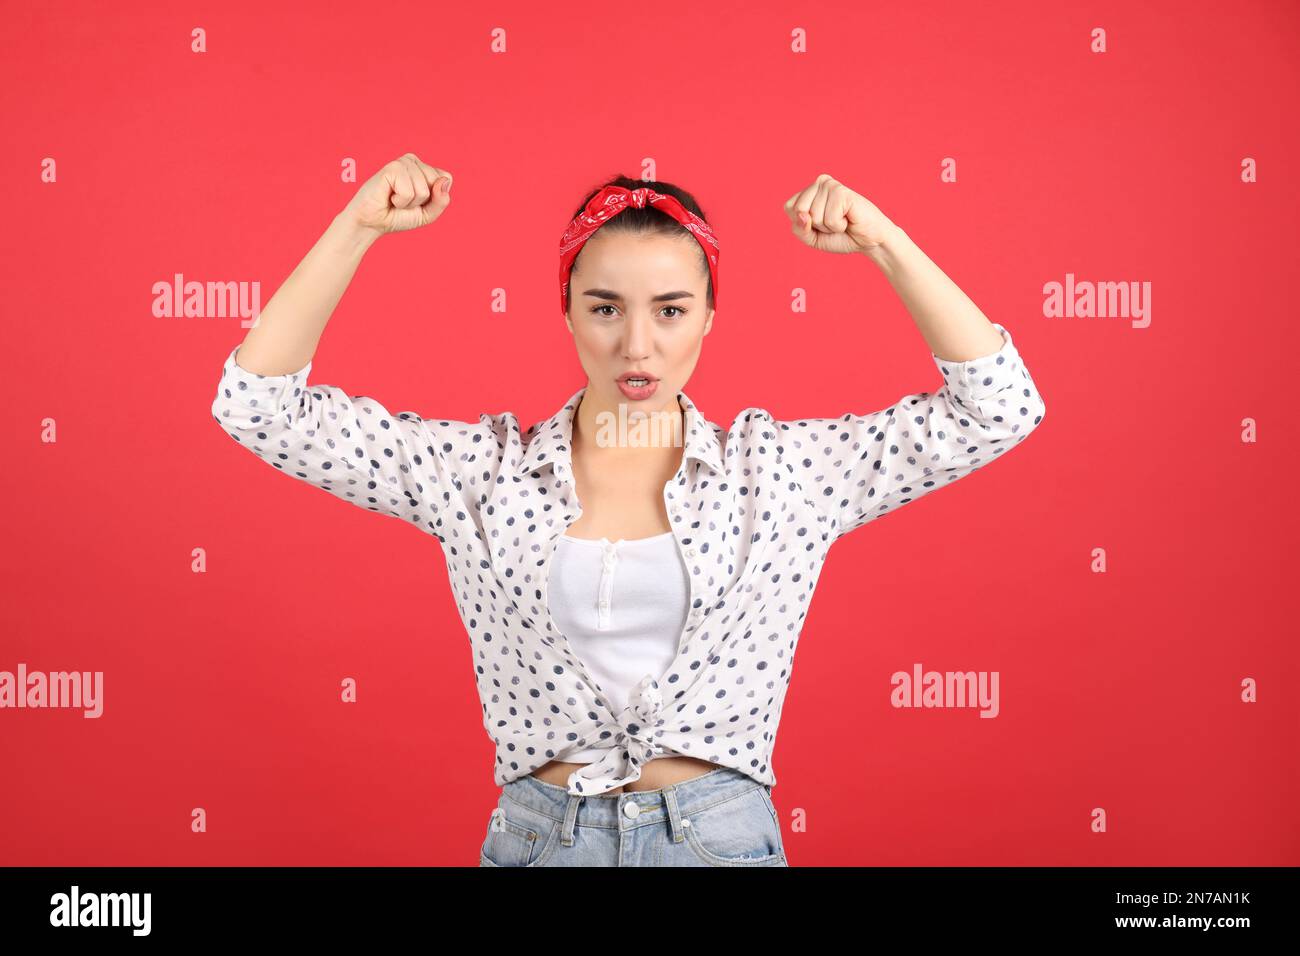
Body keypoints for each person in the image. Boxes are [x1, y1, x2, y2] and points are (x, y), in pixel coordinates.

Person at [211, 153, 1047, 866]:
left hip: (717, 842)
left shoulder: (780, 474)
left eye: (671, 310)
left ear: (710, 316)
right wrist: (357, 225)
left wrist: (885, 242)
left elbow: (999, 407)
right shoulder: (480, 474)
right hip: (540, 840)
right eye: (605, 307)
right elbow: (259, 408)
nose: (637, 346)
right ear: (567, 309)